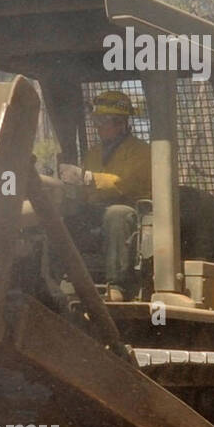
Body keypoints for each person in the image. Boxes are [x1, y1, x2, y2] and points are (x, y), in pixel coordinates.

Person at [57, 90, 150, 301]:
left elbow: (123, 183)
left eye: (103, 120)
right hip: (97, 209)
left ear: (121, 122)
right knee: (65, 215)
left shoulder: (142, 152)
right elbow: (85, 190)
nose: (98, 126)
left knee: (116, 214)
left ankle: (117, 286)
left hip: (134, 211)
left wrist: (87, 178)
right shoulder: (94, 152)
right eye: (96, 120)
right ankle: (61, 276)